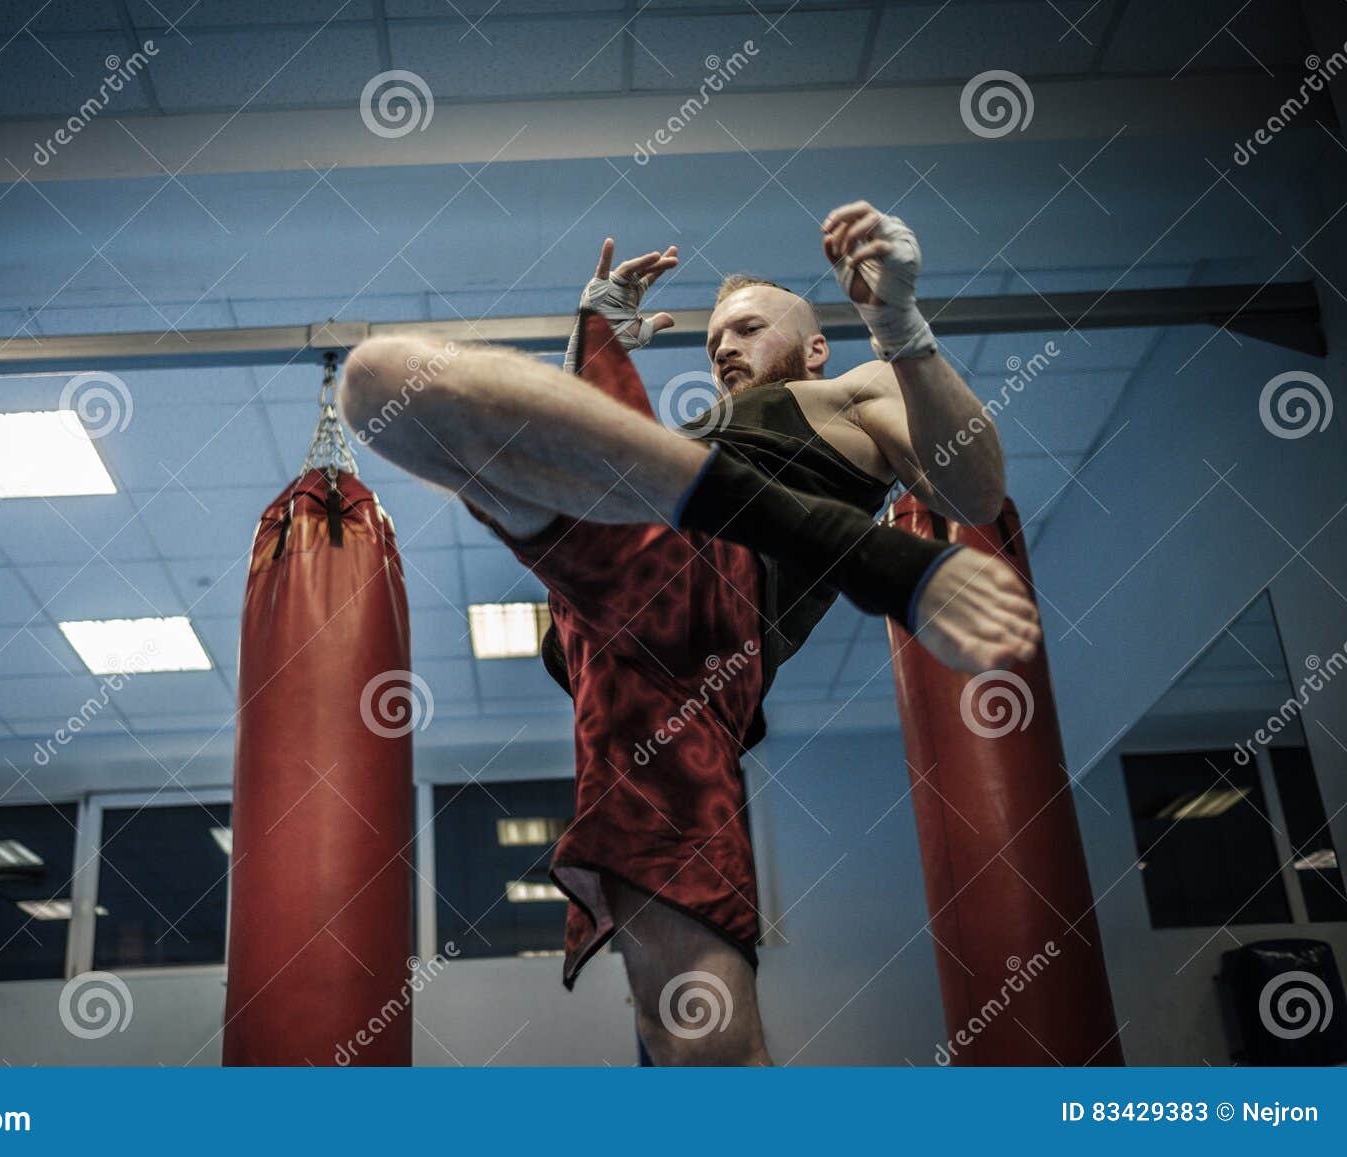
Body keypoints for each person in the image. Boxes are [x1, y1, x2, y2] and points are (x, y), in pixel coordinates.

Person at [340, 201, 1040, 1065]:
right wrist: (592, 351)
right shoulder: (682, 440)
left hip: (715, 617)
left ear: (815, 344)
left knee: (390, 376)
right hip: (612, 669)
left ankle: (828, 540)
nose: (724, 347)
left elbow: (973, 492)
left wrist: (894, 322)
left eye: (747, 328)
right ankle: (760, 515)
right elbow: (542, 448)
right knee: (692, 1039)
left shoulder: (849, 393)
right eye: (712, 342)